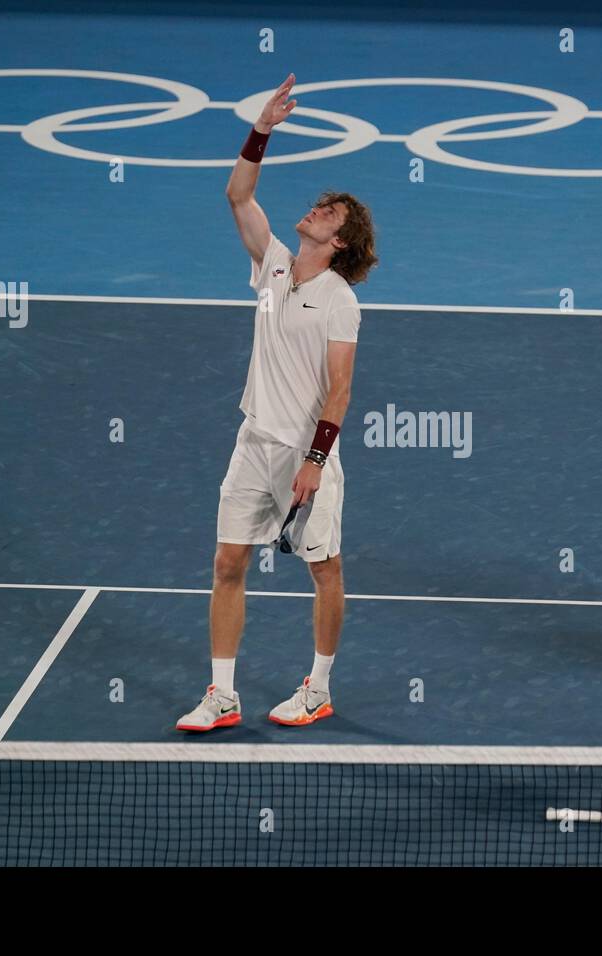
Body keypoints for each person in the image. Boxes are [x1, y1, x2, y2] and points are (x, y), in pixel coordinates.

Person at [177, 74, 378, 732]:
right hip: (254, 441)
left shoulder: (340, 302)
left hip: (304, 452)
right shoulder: (273, 265)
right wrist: (260, 129)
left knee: (325, 568)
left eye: (328, 213)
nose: (315, 210)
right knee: (227, 561)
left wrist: (317, 460)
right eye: (318, 204)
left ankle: (318, 687)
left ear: (341, 241)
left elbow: (341, 388)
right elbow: (238, 194)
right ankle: (222, 694)